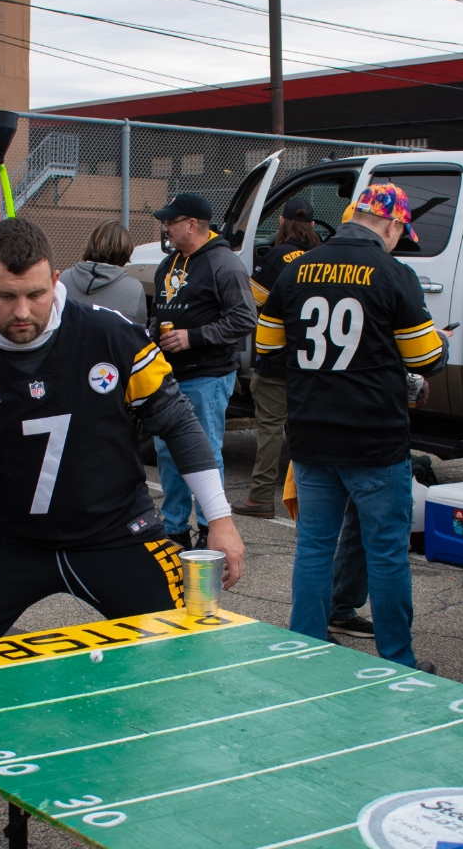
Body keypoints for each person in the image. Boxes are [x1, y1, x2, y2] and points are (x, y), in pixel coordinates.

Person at [0, 218, 246, 845]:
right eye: (5, 296)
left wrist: (220, 519)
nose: (22, 310)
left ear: (55, 279)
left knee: (184, 651)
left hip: (116, 531)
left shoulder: (109, 335)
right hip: (5, 536)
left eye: (35, 293)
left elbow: (178, 423)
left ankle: (177, 771)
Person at [256, 182, 447, 667]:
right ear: (392, 223)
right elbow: (425, 358)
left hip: (311, 434)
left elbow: (266, 353)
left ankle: (306, 647)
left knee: (315, 547)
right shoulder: (393, 272)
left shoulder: (295, 270)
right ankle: (395, 658)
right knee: (386, 554)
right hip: (374, 438)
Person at [150, 192, 256, 548]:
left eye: (171, 222)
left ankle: (211, 528)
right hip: (168, 375)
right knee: (167, 450)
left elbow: (244, 318)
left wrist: (193, 337)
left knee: (203, 451)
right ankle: (175, 528)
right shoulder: (169, 264)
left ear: (192, 225)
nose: (166, 228)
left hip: (206, 374)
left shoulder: (223, 263)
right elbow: (159, 311)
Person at [237, 196, 321, 520]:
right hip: (312, 362)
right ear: (313, 226)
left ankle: (259, 498)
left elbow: (254, 301)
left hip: (276, 360)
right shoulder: (321, 257)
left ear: (283, 222)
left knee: (270, 429)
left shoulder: (275, 257)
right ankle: (311, 496)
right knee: (302, 430)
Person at [60, 219, 150, 325]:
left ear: (91, 243)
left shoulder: (63, 279)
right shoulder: (134, 288)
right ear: (126, 249)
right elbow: (138, 334)